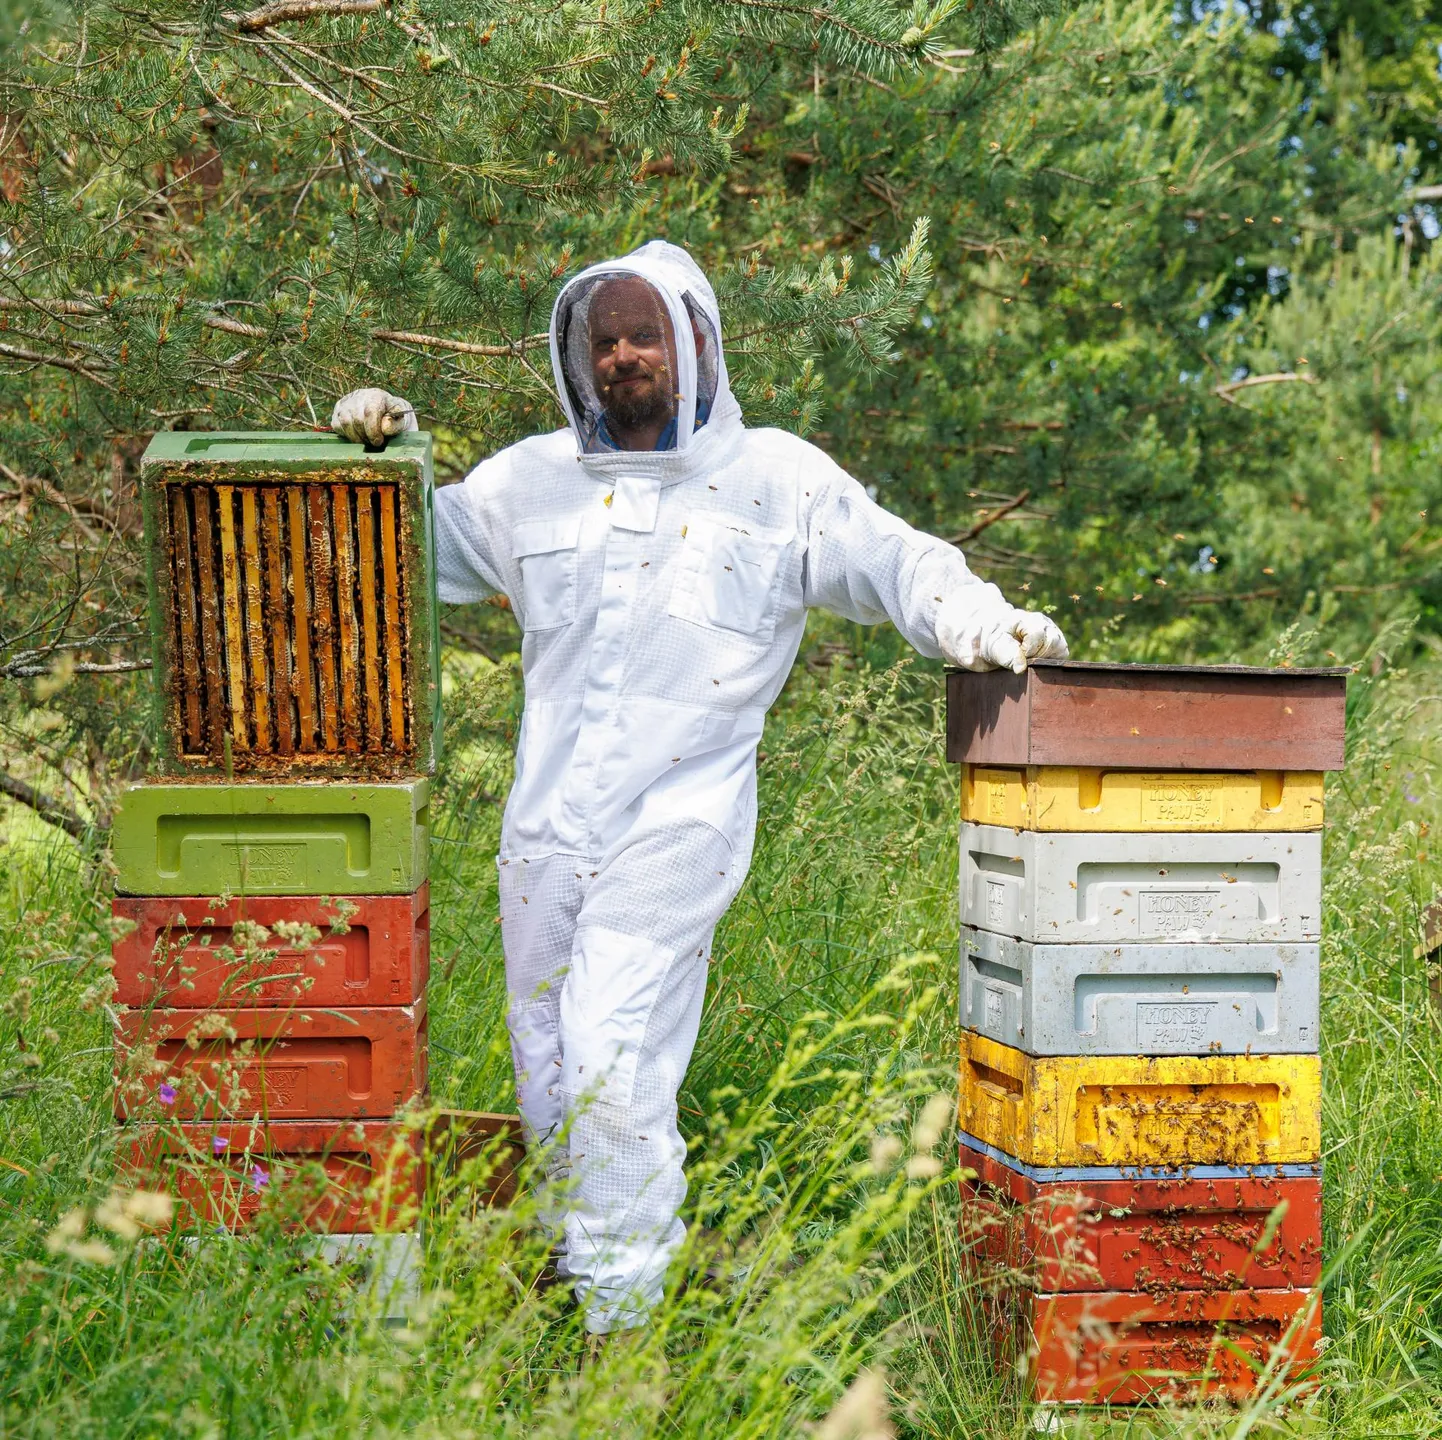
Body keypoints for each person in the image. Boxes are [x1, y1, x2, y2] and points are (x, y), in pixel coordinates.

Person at [331, 240, 1067, 1338]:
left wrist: (976, 620)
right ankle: (580, 1287)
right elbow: (388, 549)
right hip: (542, 831)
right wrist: (372, 451)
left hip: (679, 825)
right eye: (604, 338)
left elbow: (897, 561)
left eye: (645, 333)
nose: (624, 353)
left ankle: (625, 1339)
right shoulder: (526, 484)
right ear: (579, 359)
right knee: (548, 1070)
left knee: (613, 1052)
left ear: (697, 344)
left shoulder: (777, 480)